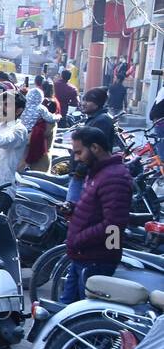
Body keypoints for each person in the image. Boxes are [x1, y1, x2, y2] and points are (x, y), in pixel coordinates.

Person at [61, 124, 132, 303]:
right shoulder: (97, 173)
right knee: (67, 311)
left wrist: (79, 239)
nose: (76, 159)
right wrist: (73, 211)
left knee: (82, 318)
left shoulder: (114, 177)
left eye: (79, 152)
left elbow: (114, 226)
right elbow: (95, 212)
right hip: (83, 257)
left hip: (94, 261)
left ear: (95, 148)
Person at [22, 85, 58, 173]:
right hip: (32, 135)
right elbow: (50, 118)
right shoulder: (41, 109)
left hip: (22, 133)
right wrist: (58, 117)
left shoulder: (23, 106)